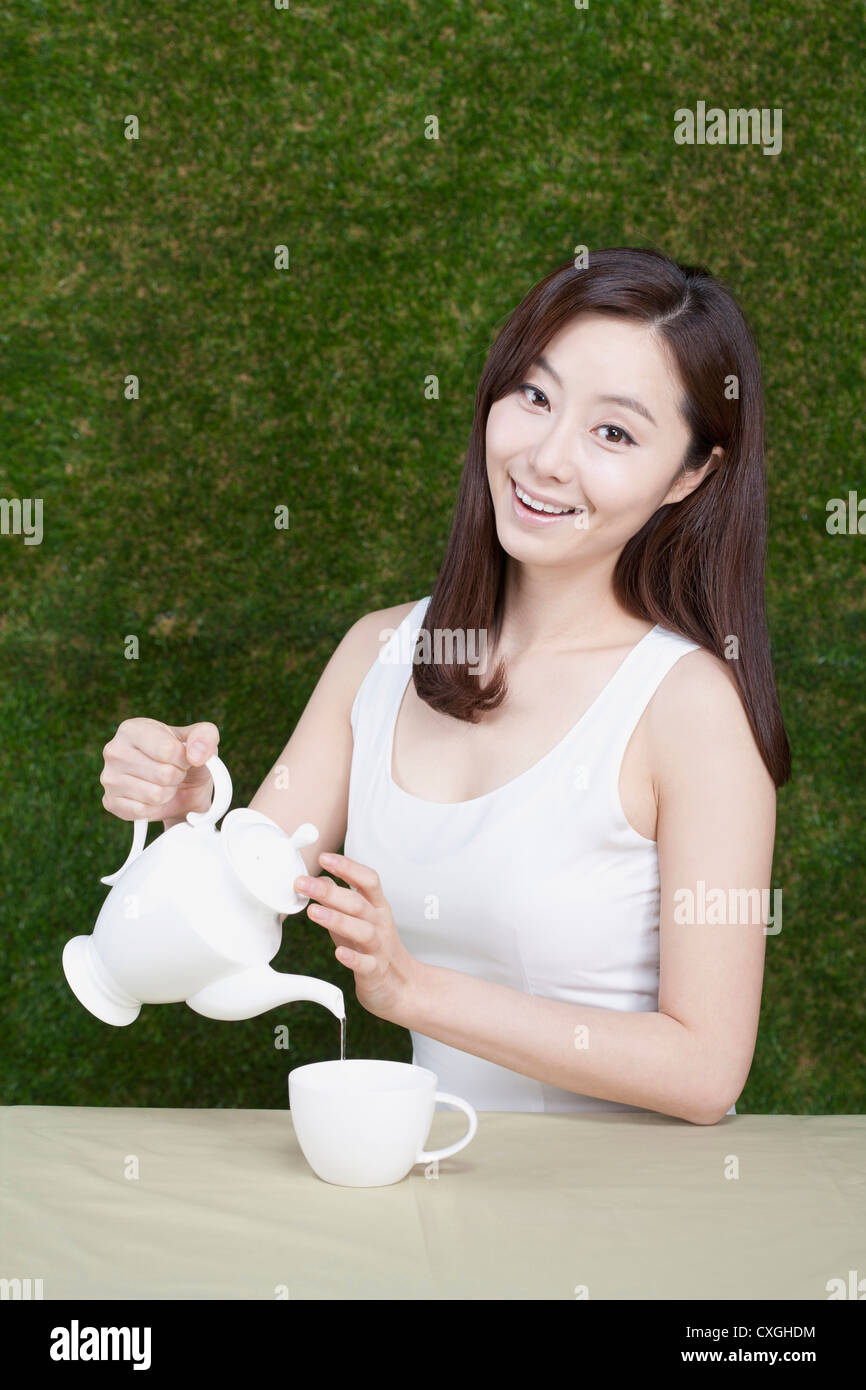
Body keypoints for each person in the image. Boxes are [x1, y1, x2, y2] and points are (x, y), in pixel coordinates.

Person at [99, 247, 789, 1125]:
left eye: (613, 433)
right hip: (435, 1185)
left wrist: (418, 993)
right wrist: (186, 804)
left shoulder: (691, 710)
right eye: (535, 397)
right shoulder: (381, 652)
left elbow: (706, 1071)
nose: (545, 458)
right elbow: (245, 888)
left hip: (623, 1216)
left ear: (690, 474)